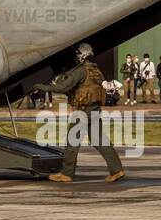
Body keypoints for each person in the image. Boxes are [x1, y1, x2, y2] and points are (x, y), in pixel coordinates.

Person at [34, 43, 125, 184]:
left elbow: (64, 86)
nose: (76, 58)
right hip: (94, 109)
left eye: (77, 55)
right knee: (99, 140)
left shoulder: (80, 71)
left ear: (82, 55)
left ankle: (66, 174)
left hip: (82, 111)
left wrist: (42, 86)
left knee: (72, 141)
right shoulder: (96, 71)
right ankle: (117, 170)